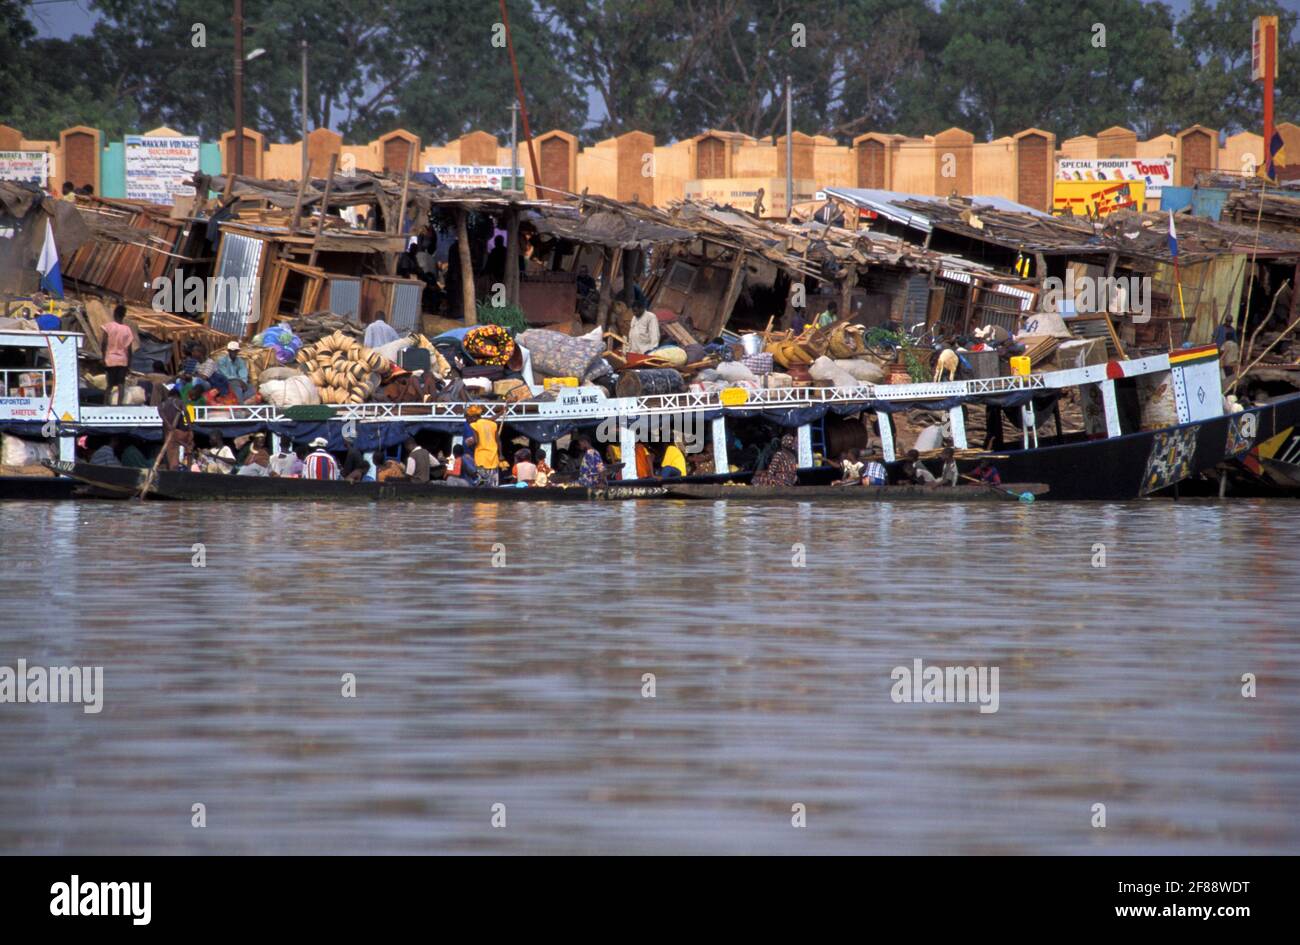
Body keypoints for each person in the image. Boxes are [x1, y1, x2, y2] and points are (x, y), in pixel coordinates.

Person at [101, 303, 135, 406]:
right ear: (124, 316)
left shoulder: (108, 326)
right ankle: (119, 404)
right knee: (121, 384)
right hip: (122, 360)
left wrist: (103, 357)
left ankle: (105, 404)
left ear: (114, 314)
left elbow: (104, 343)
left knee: (109, 384)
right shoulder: (127, 330)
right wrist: (129, 364)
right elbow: (129, 349)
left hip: (110, 360)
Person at [157, 388, 194, 470]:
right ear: (177, 395)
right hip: (181, 432)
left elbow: (163, 417)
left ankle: (174, 470)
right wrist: (190, 429)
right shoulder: (178, 401)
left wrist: (169, 426)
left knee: (172, 456)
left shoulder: (161, 405)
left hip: (170, 434)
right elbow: (186, 413)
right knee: (189, 448)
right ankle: (189, 469)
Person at [465, 404, 501, 487]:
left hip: (481, 459)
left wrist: (470, 443)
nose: (467, 420)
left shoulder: (474, 425)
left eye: (467, 418)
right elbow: (499, 441)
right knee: (493, 483)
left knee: (482, 482)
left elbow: (477, 441)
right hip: (493, 458)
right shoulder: (492, 424)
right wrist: (501, 412)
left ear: (473, 417)